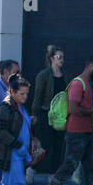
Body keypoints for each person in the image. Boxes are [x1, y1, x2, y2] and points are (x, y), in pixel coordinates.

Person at [41, 55, 93, 185]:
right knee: (68, 167)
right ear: (92, 66)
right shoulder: (78, 83)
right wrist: (92, 112)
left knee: (91, 169)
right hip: (76, 134)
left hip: (86, 133)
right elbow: (73, 109)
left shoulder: (87, 83)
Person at [31, 45, 67, 176]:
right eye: (59, 57)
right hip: (46, 114)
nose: (62, 60)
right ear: (52, 58)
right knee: (45, 145)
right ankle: (32, 168)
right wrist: (34, 113)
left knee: (59, 146)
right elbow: (38, 95)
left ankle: (53, 175)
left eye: (63, 57)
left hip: (61, 116)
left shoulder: (65, 75)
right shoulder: (44, 75)